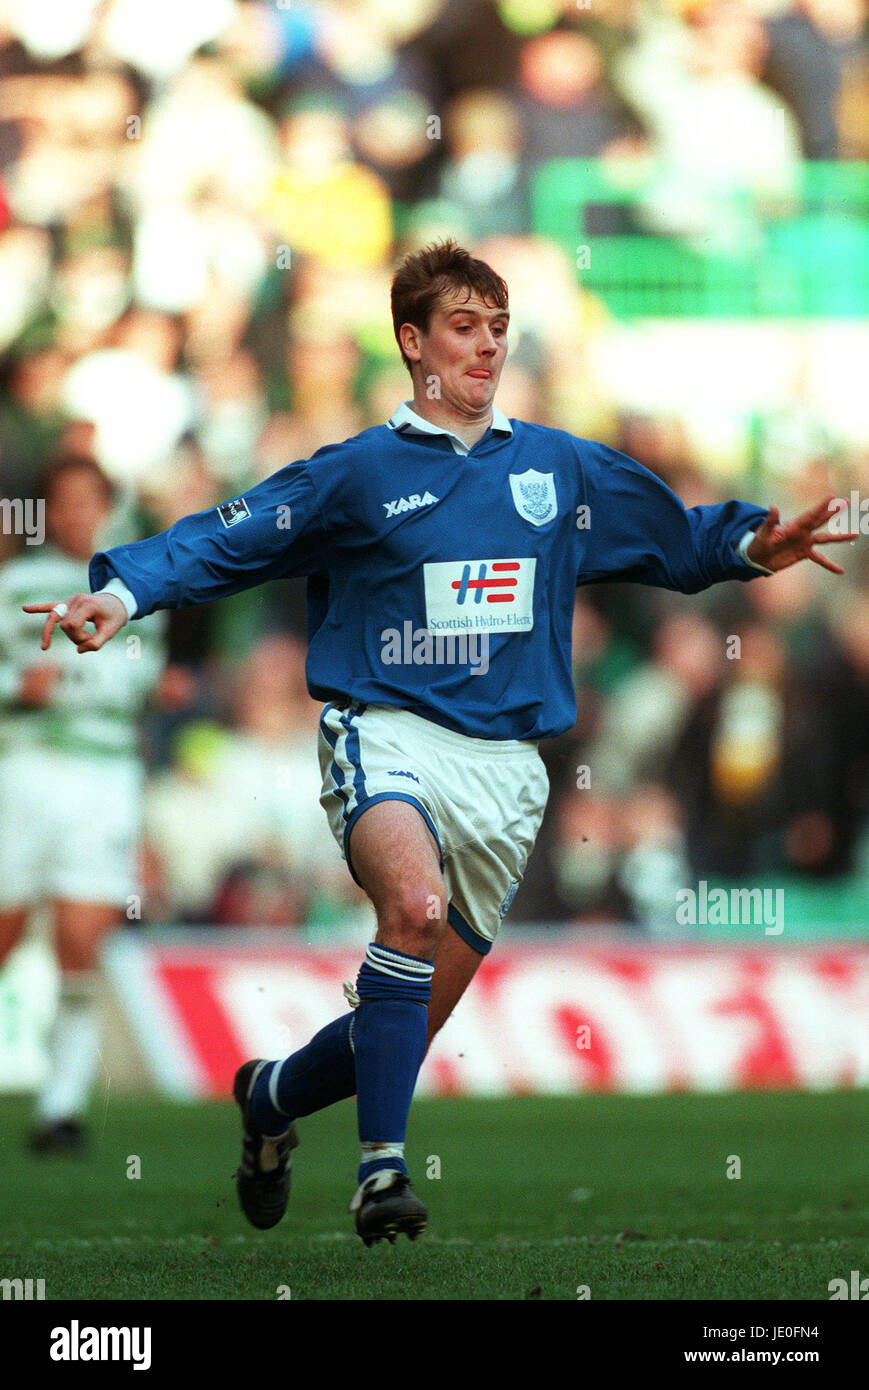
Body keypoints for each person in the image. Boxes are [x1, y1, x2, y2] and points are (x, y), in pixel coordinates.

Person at [25, 240, 856, 1240]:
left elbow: (669, 537)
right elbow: (228, 536)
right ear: (412, 341)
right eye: (463, 327)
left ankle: (272, 1098)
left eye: (498, 328)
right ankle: (381, 1171)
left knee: (405, 1019)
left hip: (508, 772)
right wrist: (122, 593)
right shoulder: (358, 472)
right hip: (387, 734)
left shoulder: (554, 464)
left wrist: (748, 544)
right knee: (410, 908)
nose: (485, 347)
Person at [1, 454, 165, 1152]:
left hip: (102, 778)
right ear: (46, 512)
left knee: (77, 940)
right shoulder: (17, 585)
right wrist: (16, 686)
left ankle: (61, 1108)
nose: (77, 514)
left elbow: (140, 675)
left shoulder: (132, 586)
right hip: (26, 770)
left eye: (88, 501)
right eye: (63, 502)